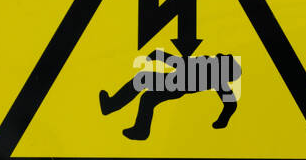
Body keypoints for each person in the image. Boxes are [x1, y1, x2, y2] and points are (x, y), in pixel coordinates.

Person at [99, 49, 242, 140]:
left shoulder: (214, 76)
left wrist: (160, 55)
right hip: (172, 80)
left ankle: (137, 127)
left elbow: (231, 105)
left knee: (147, 95)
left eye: (226, 58)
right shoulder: (212, 70)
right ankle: (114, 108)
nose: (223, 55)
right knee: (145, 88)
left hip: (174, 86)